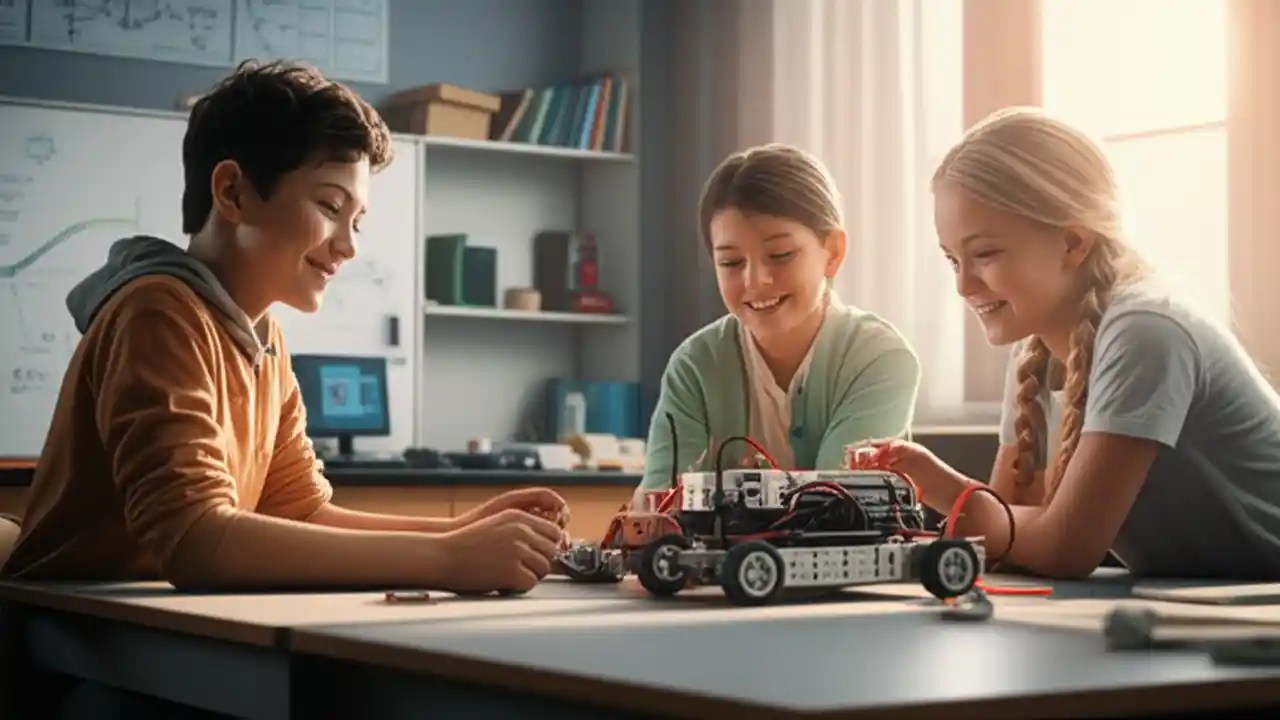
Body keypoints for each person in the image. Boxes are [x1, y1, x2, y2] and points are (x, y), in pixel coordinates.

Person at [0, 61, 567, 593]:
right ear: (233, 193)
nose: (347, 246)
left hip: (156, 634)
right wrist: (447, 560)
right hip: (74, 647)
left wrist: (457, 532)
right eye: (329, 206)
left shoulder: (261, 334)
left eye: (357, 221)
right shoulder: (158, 311)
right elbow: (194, 539)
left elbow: (299, 511)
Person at [861, 107, 1280, 580]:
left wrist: (946, 488)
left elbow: (1064, 546)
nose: (963, 286)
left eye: (984, 254)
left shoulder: (1146, 331)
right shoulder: (1034, 349)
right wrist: (947, 496)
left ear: (1073, 243)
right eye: (952, 259)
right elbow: (1009, 537)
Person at [635, 143, 921, 503]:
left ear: (832, 252)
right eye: (731, 263)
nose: (756, 280)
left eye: (781, 255)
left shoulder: (880, 358)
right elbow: (656, 504)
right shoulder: (695, 365)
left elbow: (836, 504)